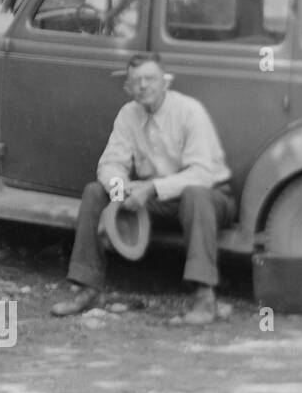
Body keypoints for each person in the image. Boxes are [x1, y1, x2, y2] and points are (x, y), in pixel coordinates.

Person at [51, 52, 234, 325]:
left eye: (150, 79)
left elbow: (202, 174)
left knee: (196, 195)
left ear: (165, 82)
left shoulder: (189, 111)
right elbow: (111, 164)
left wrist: (151, 188)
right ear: (128, 87)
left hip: (210, 196)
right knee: (94, 192)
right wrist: (120, 190)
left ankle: (204, 299)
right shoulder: (128, 115)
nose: (143, 86)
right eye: (136, 81)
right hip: (156, 198)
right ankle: (86, 289)